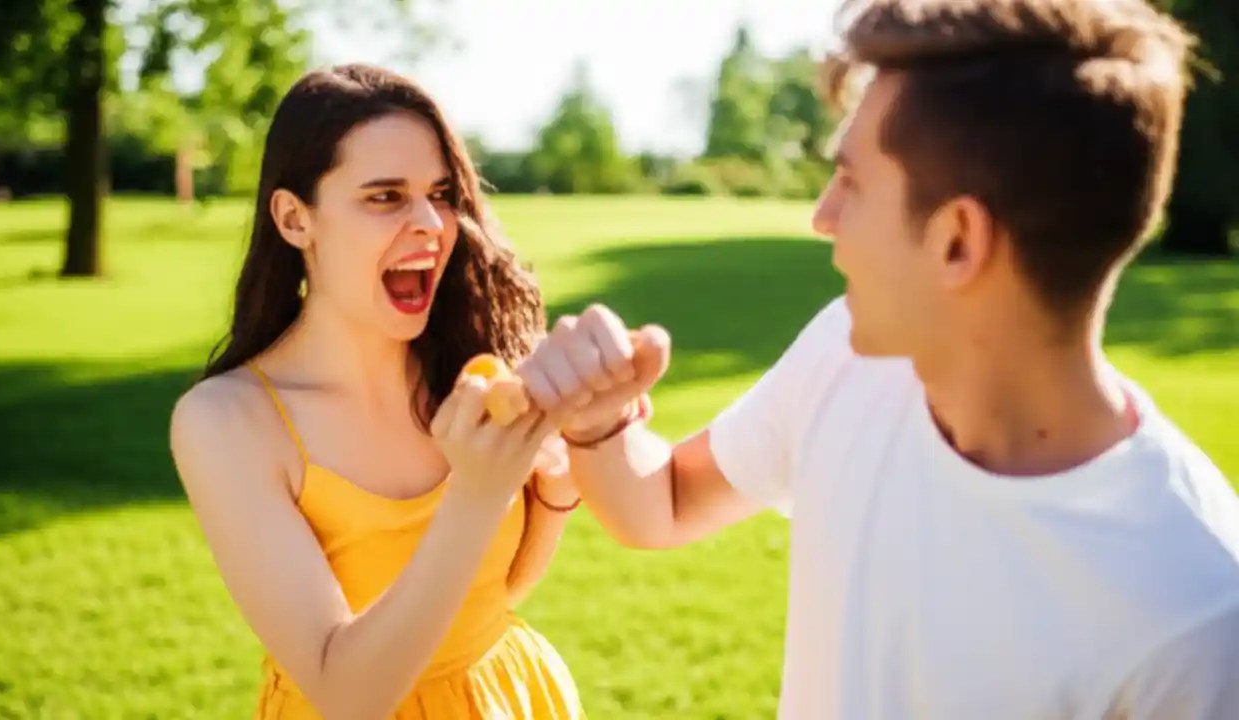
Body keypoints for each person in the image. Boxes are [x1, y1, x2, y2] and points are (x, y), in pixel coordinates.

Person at [517, 1, 1239, 718]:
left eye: (852, 182)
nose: (823, 216)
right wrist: (602, 420)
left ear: (958, 239)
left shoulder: (1195, 618)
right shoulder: (846, 357)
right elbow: (665, 504)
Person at [169, 64, 585, 719]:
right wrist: (476, 494)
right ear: (294, 219)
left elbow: (491, 596)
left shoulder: (467, 366)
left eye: (441, 193)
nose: (432, 223)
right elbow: (347, 693)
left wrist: (558, 485)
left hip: (510, 695)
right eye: (385, 197)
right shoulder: (226, 422)